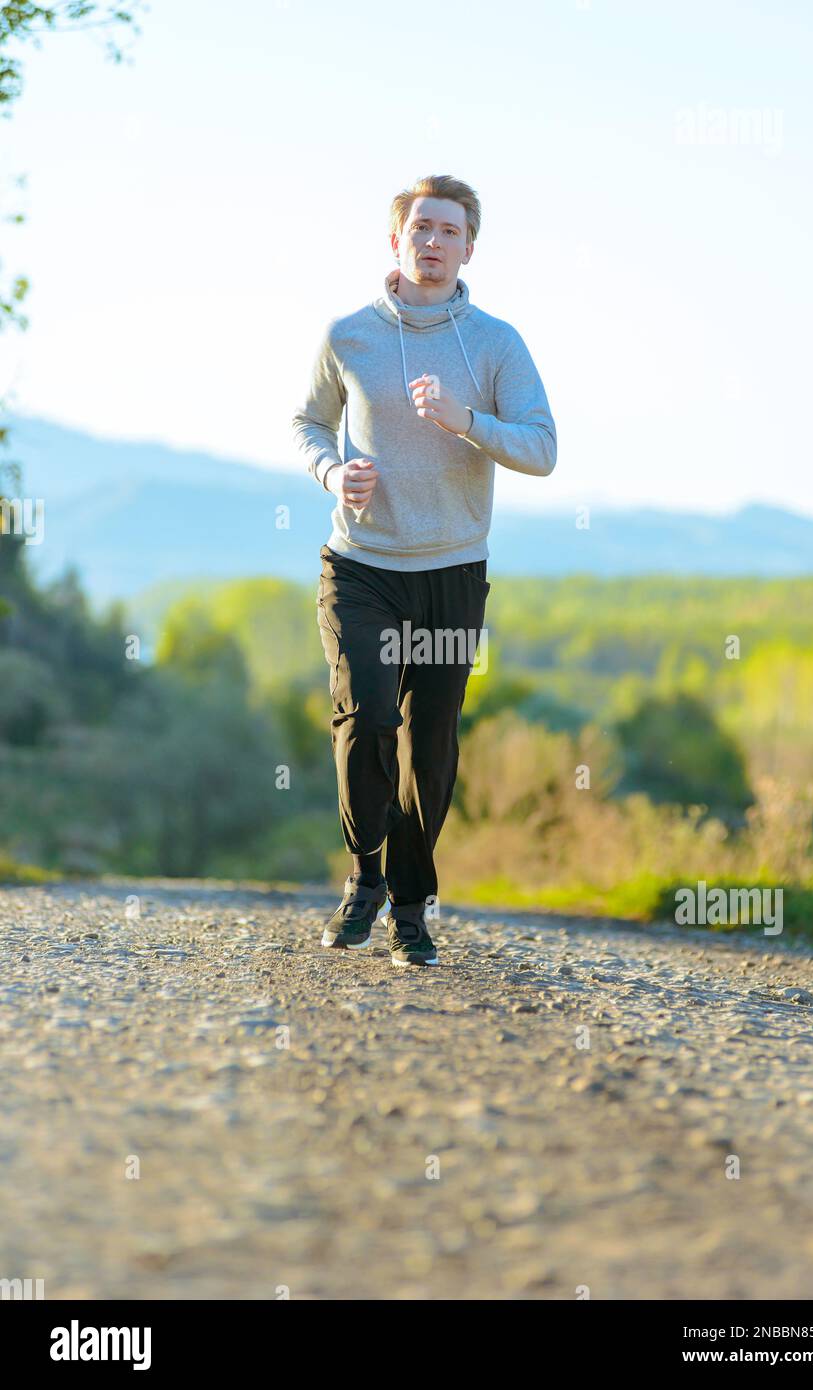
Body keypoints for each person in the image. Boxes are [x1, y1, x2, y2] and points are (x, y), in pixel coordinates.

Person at [291, 174, 557, 968]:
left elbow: (542, 449)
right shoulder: (349, 335)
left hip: (450, 574)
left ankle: (410, 907)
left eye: (449, 231)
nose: (433, 242)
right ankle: (364, 875)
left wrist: (464, 421)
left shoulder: (496, 344)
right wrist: (333, 474)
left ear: (469, 246)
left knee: (430, 746)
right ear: (395, 240)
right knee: (368, 715)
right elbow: (307, 421)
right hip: (361, 565)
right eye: (421, 229)